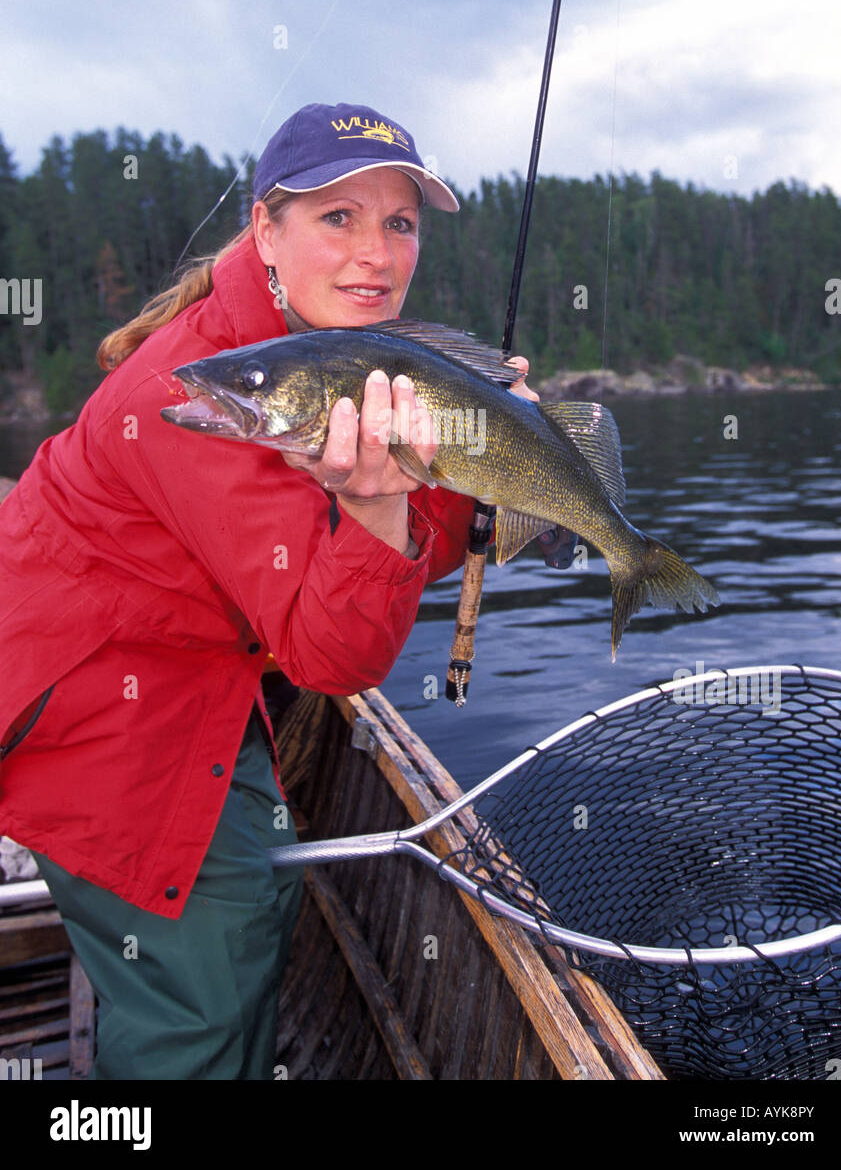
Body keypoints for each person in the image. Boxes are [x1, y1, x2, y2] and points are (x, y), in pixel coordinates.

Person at [0, 101, 536, 1080]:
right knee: (204, 968)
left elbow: (408, 531)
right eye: (339, 216)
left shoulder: (314, 342)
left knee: (249, 897)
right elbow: (331, 658)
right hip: (87, 703)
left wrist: (488, 468)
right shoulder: (202, 393)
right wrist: (378, 512)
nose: (376, 252)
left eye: (401, 221)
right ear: (265, 231)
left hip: (183, 656)